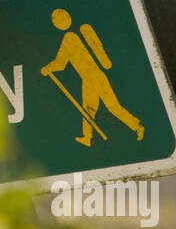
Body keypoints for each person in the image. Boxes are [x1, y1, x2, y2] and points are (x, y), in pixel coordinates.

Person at [40, 8, 144, 146]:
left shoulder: (69, 38)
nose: (59, 23)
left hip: (89, 76)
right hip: (100, 74)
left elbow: (61, 63)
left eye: (59, 20)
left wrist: (47, 68)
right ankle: (136, 126)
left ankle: (87, 138)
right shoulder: (85, 28)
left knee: (89, 108)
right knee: (113, 106)